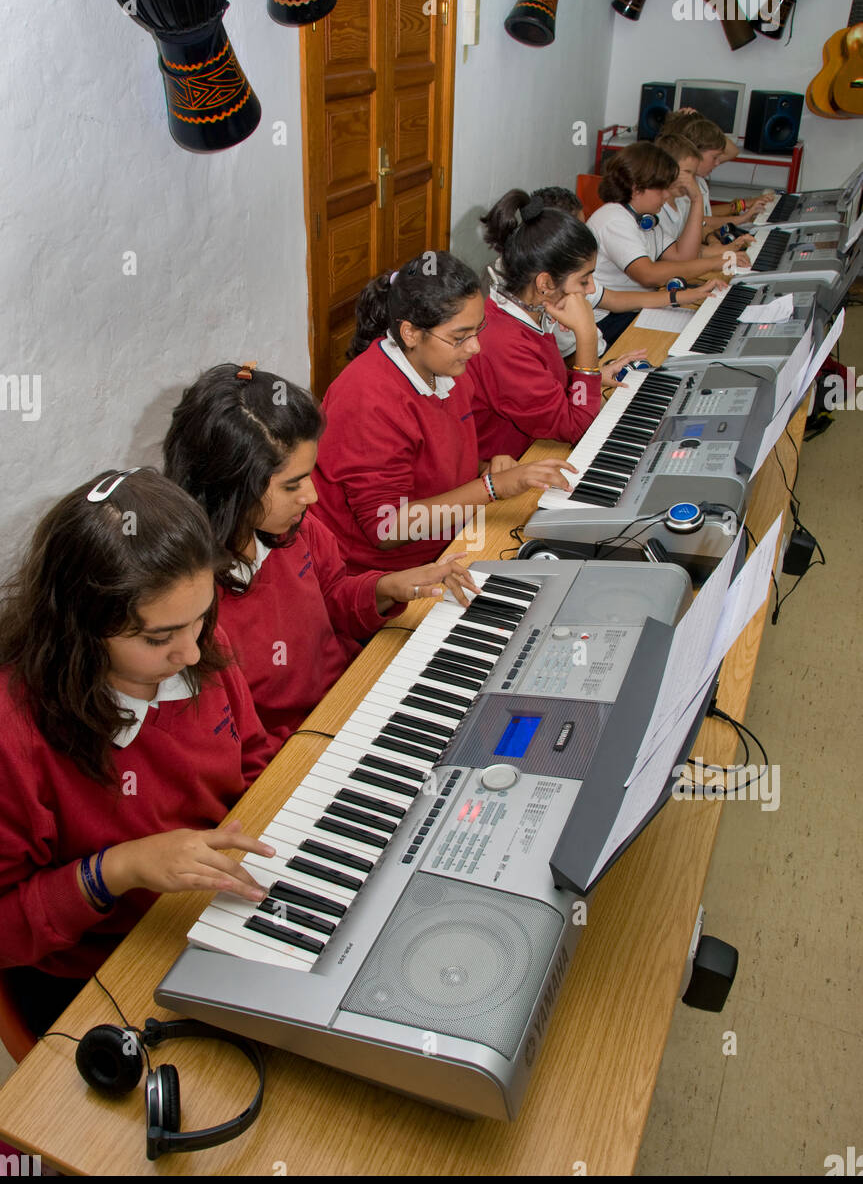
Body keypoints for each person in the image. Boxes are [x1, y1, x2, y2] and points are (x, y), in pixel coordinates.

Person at [0, 469, 276, 1034]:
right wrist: (120, 868)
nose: (193, 650)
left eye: (202, 618)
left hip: (210, 913)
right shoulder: (15, 736)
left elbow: (253, 760)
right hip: (105, 968)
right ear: (79, 627)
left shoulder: (197, 643)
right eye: (158, 639)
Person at [163, 363, 479, 755]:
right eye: (292, 484)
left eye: (309, 475)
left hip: (348, 698)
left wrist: (388, 586)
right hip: (299, 747)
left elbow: (333, 597)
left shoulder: (296, 528)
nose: (311, 496)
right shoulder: (189, 601)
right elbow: (236, 743)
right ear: (231, 483)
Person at [313, 251, 576, 574]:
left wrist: (486, 469)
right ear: (410, 333)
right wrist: (492, 488)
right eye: (459, 337)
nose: (475, 347)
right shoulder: (368, 399)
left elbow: (432, 464)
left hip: (449, 539)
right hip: (384, 572)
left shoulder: (445, 368)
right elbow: (386, 528)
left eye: (478, 330)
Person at [470, 191, 645, 460]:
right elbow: (577, 426)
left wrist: (588, 379)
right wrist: (586, 335)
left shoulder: (526, 309)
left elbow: (542, 388)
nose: (591, 289)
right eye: (584, 279)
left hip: (534, 447)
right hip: (516, 463)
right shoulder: (503, 340)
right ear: (545, 283)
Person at [481, 186, 723, 363]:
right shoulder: (525, 305)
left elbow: (614, 299)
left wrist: (679, 297)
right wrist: (586, 333)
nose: (591, 287)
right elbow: (571, 414)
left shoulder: (557, 280)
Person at [589, 142, 751, 344]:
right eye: (660, 190)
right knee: (682, 338)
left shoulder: (645, 218)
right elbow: (648, 275)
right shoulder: (613, 218)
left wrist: (697, 201)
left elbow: (684, 257)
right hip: (605, 319)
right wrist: (716, 262)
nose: (666, 196)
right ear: (636, 188)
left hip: (634, 306)